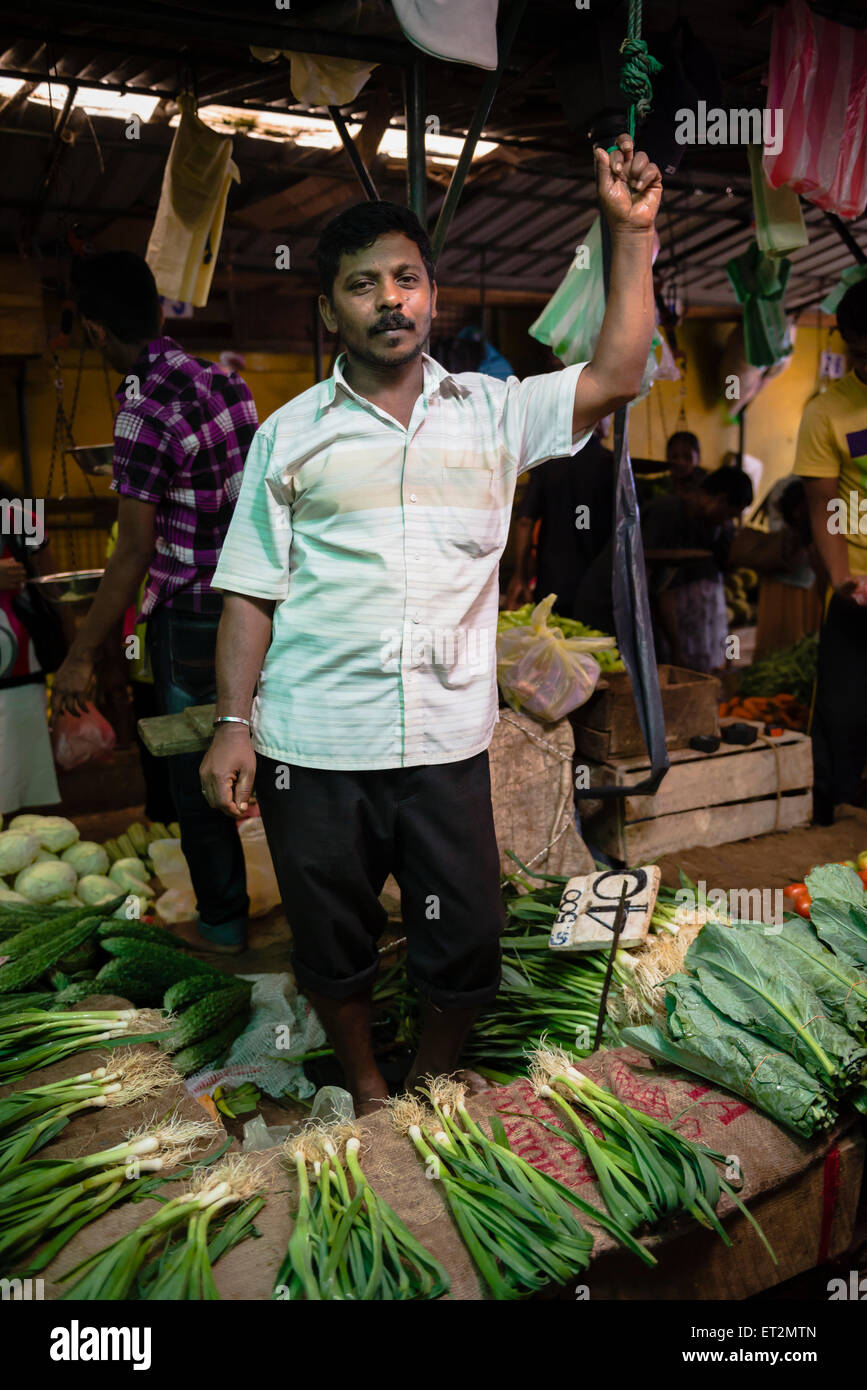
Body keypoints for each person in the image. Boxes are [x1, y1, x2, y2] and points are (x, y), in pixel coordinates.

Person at [200, 134, 662, 1113]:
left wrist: (631, 235)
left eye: (406, 277)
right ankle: (368, 1085)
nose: (390, 299)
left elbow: (619, 371)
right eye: (363, 285)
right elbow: (248, 591)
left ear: (432, 295)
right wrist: (232, 723)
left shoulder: (492, 413)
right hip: (313, 744)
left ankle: (432, 1070)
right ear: (331, 308)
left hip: (446, 742)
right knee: (334, 937)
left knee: (465, 937)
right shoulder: (290, 433)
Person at [51, 251, 259, 951]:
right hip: (254, 609)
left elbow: (133, 551)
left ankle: (224, 925)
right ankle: (303, 909)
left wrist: (81, 653)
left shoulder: (142, 414)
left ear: (93, 330)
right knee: (261, 755)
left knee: (199, 774)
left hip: (192, 621)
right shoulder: (229, 387)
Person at [794, 277, 867, 824]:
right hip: (855, 590)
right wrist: (843, 580)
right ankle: (830, 809)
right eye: (859, 348)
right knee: (841, 710)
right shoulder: (828, 412)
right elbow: (822, 502)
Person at [574, 467, 753, 673]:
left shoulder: (693, 522)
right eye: (729, 515)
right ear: (720, 500)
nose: (726, 522)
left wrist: (675, 648)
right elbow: (645, 564)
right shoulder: (666, 512)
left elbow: (667, 589)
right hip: (605, 603)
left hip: (626, 606)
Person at [504, 418, 614, 615]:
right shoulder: (613, 465)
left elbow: (525, 521)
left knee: (553, 642)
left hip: (553, 585)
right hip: (600, 586)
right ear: (598, 420)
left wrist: (519, 576)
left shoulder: (549, 461)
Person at [0, 482, 63, 815]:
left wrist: (75, 653)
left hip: (20, 671)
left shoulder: (20, 515)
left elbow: (51, 586)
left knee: (20, 779)